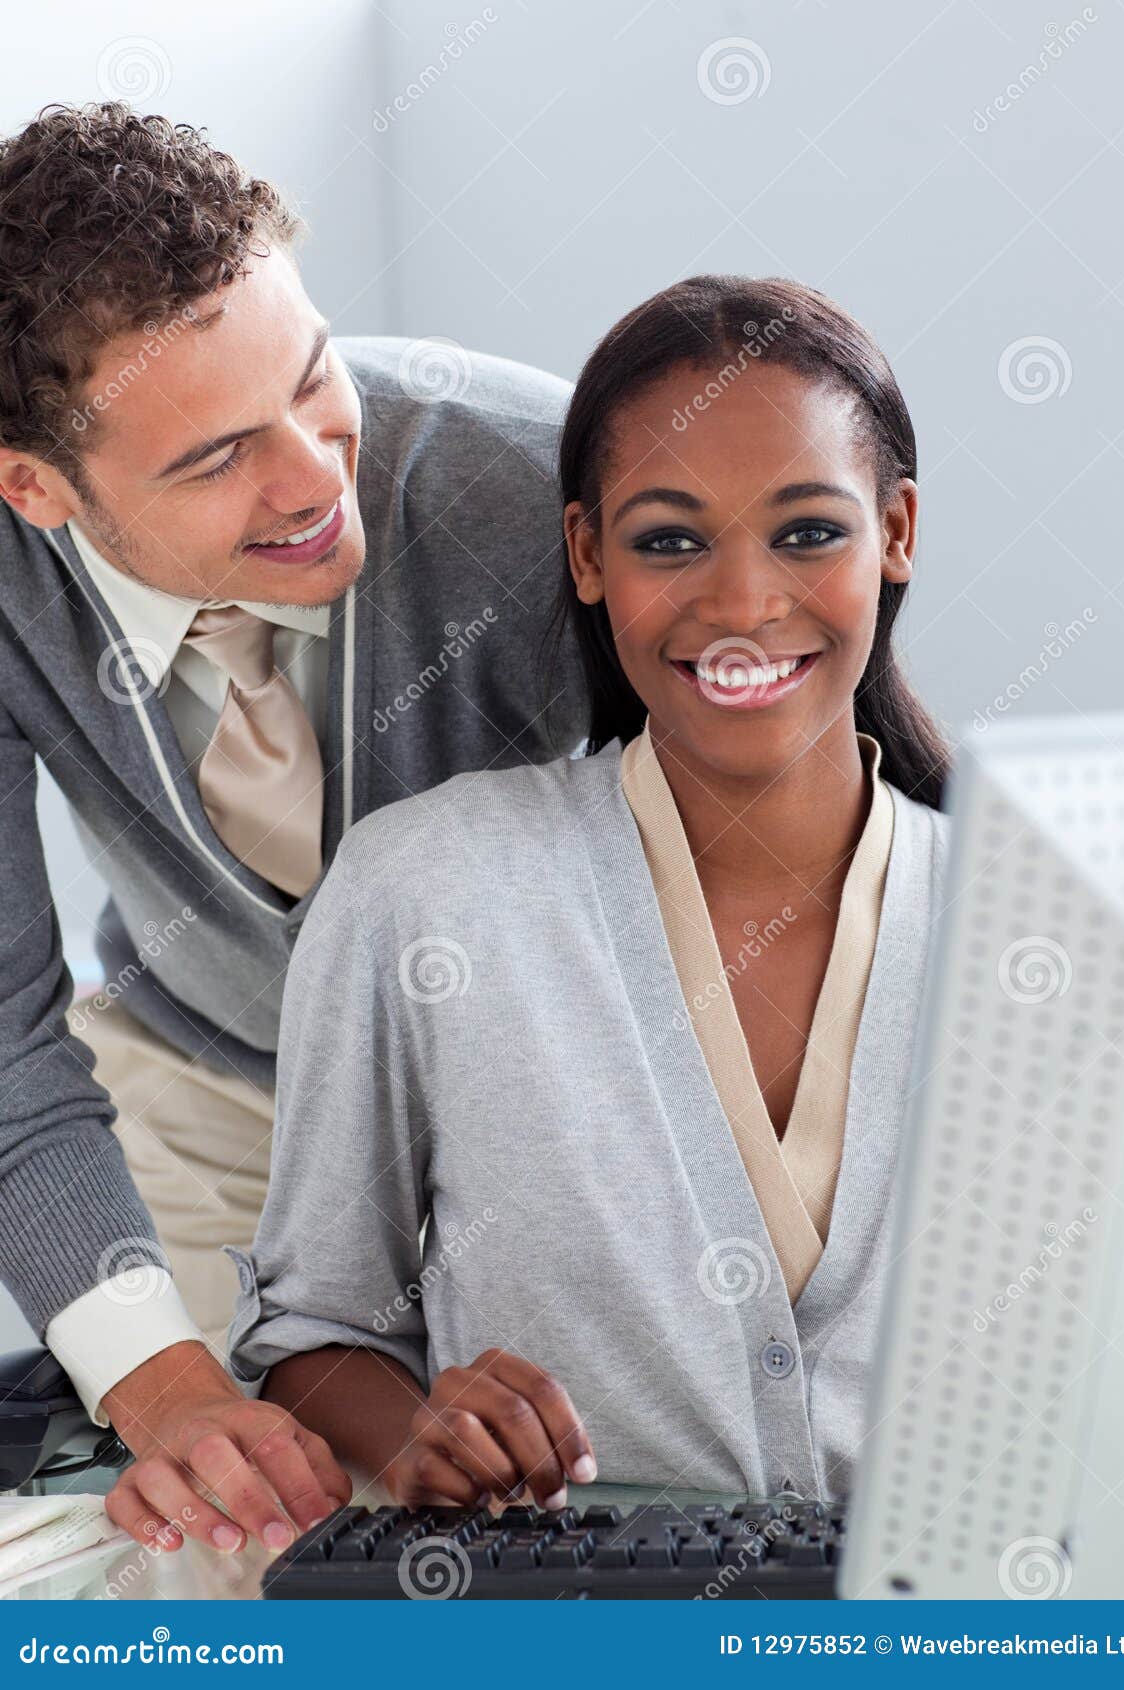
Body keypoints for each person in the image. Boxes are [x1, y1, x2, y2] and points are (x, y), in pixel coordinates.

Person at [227, 274, 951, 1510]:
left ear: (896, 534)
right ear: (586, 554)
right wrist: (415, 1438)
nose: (740, 603)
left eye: (808, 531)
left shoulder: (1049, 926)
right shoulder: (426, 891)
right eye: (669, 538)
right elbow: (308, 1332)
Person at [0, 103, 583, 1553]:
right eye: (213, 459)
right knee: (229, 1539)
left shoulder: (539, 483)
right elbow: (6, 1042)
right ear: (36, 488)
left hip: (527, 1093)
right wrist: (171, 1391)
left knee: (558, 1524)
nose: (318, 479)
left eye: (314, 378)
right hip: (200, 1077)